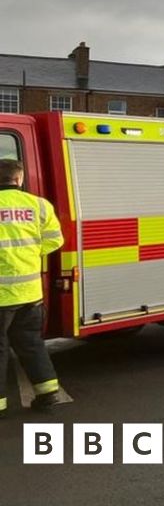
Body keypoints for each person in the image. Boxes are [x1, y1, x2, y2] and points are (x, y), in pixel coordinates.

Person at [0, 159, 65, 417]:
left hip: (2, 297)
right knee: (31, 344)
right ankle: (48, 394)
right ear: (19, 179)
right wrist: (28, 254)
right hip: (31, 292)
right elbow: (54, 241)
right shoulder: (39, 205)